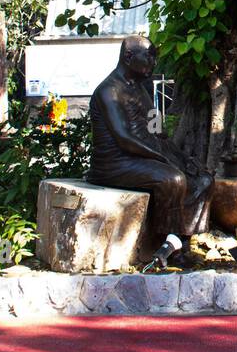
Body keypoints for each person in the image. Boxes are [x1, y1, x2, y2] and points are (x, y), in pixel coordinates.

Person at [88, 36, 213, 263]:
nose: (154, 62)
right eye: (149, 56)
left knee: (203, 179)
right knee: (173, 179)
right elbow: (124, 139)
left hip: (144, 156)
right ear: (128, 57)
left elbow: (158, 132)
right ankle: (162, 245)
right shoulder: (109, 91)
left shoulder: (141, 90)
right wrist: (164, 159)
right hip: (116, 162)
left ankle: (180, 243)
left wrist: (183, 158)